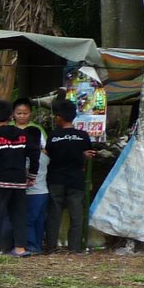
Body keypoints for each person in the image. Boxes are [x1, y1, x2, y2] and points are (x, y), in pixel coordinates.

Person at [0, 100, 38, 257]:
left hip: (0, 181)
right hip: (19, 181)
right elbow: (34, 153)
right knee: (19, 214)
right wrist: (31, 175)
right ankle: (20, 248)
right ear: (11, 116)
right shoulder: (23, 135)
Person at [45, 98, 99, 254]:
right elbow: (88, 154)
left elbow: (48, 154)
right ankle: (75, 248)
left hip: (55, 180)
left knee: (54, 214)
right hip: (76, 180)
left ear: (59, 117)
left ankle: (51, 247)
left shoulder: (53, 136)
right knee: (76, 215)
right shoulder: (83, 136)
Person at [14, 100, 51, 253]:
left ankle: (32, 246)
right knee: (38, 219)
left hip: (30, 190)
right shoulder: (10, 128)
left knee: (27, 219)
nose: (22, 116)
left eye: (25, 113)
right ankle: (37, 246)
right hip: (43, 191)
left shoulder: (37, 130)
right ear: (13, 114)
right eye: (19, 113)